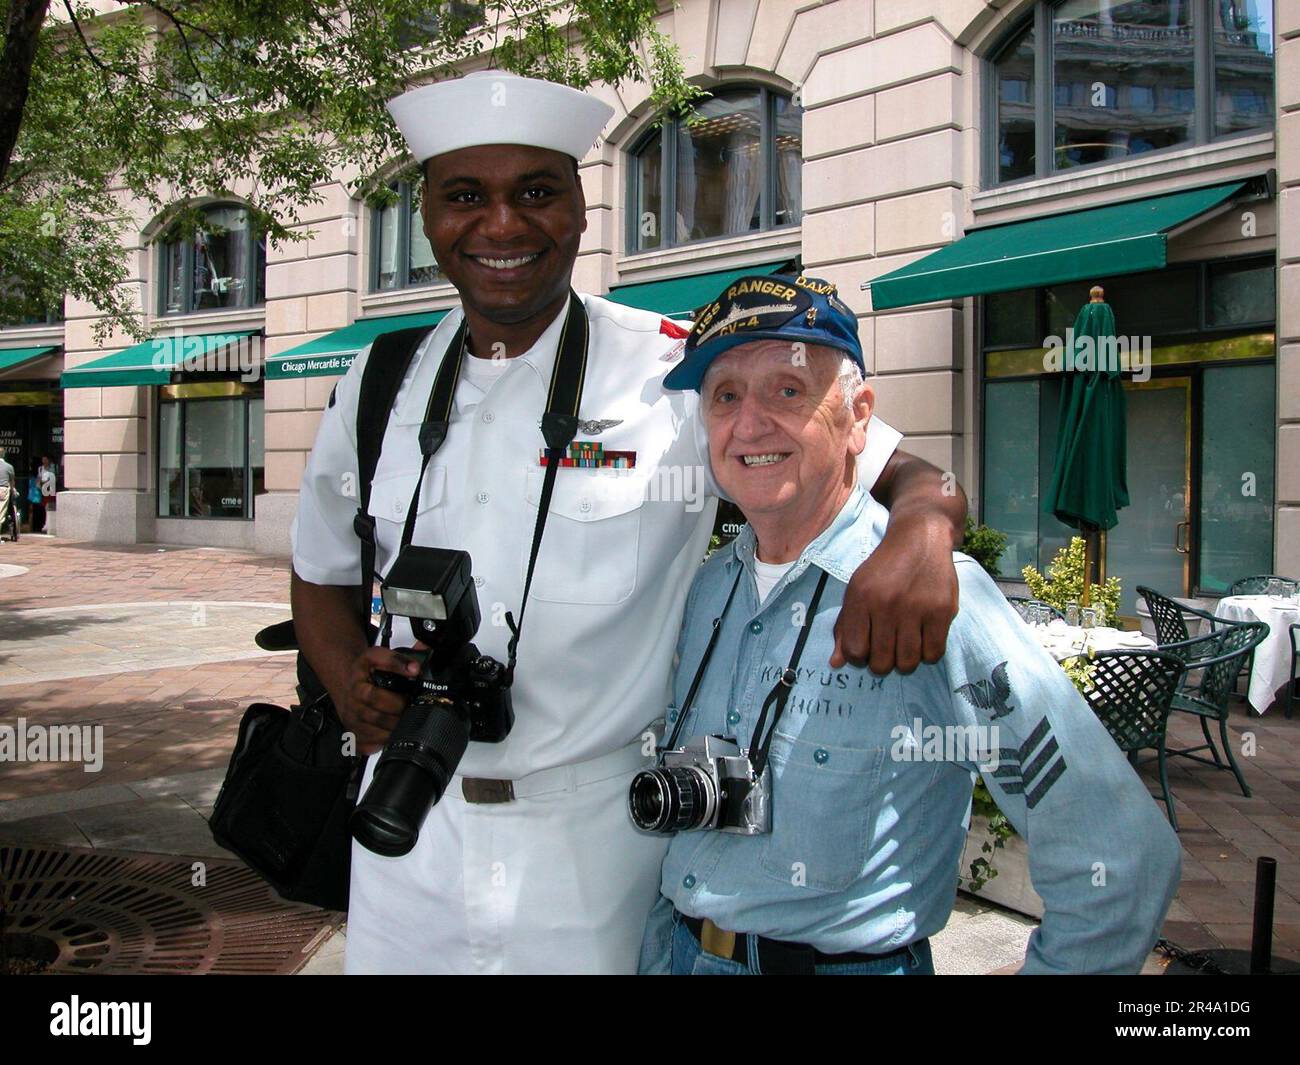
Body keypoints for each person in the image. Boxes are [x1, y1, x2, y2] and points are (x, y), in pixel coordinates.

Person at [290, 72, 969, 975]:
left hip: (603, 851)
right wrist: (349, 685)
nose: (501, 225)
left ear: (579, 211)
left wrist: (923, 531)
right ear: (427, 217)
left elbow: (897, 468)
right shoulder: (379, 383)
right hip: (408, 833)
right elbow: (320, 569)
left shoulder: (680, 371)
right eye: (465, 196)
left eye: (536, 191)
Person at [636, 281, 1182, 975]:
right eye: (725, 396)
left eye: (788, 390)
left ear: (858, 417)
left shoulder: (935, 597)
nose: (749, 424)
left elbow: (1121, 853)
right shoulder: (709, 589)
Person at [0, 453, 17, 542]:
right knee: (1, 513)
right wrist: (13, 491)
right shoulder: (9, 467)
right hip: (3, 489)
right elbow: (12, 481)